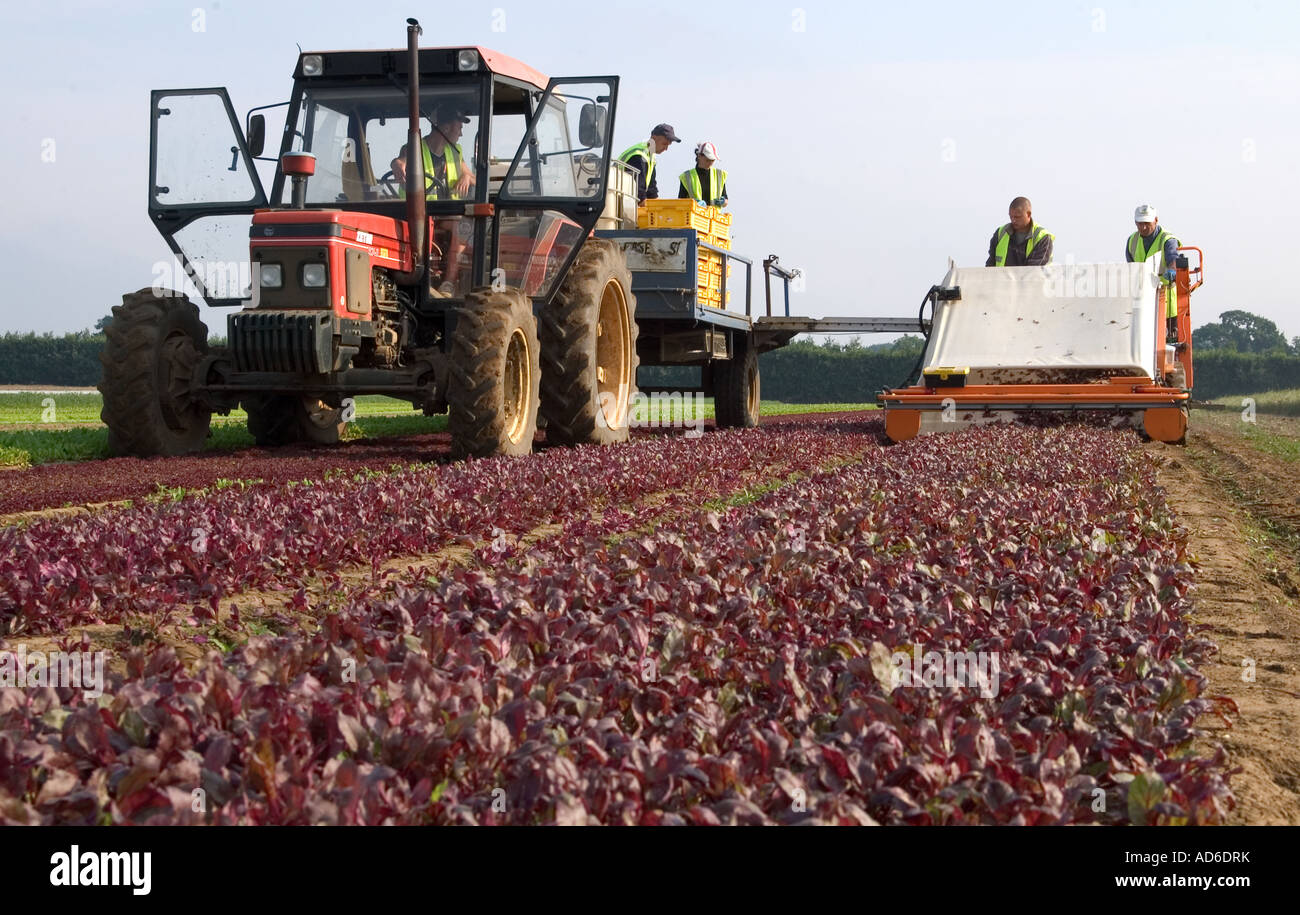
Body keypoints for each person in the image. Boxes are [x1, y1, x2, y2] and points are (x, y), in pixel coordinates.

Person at [390, 103, 476, 201]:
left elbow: (474, 179)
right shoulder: (413, 148)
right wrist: (396, 163)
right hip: (418, 214)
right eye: (460, 128)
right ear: (446, 128)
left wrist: (467, 177)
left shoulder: (455, 152)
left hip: (451, 212)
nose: (461, 134)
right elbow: (401, 161)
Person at [1126, 204, 1181, 343]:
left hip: (1166, 298)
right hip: (1142, 299)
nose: (1143, 228)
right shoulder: (1132, 241)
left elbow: (1173, 259)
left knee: (1167, 343)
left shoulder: (1167, 239)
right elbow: (1130, 269)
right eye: (1140, 224)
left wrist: (1172, 270)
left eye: (1146, 223)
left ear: (1155, 220)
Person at [618, 124, 680, 203]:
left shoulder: (650, 156)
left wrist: (660, 206)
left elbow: (651, 189)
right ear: (653, 139)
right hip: (620, 201)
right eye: (664, 144)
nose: (666, 149)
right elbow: (638, 190)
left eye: (668, 145)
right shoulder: (639, 155)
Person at [985, 197, 1053, 266]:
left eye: (1017, 217)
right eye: (1011, 217)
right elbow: (990, 265)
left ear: (1028, 214)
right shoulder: (1000, 233)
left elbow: (1034, 271)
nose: (1013, 220)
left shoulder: (1043, 237)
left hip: (1032, 277)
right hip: (1002, 277)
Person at [678, 142, 728, 206]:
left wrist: (723, 202)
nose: (710, 163)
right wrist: (694, 203)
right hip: (695, 215)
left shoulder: (719, 175)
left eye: (712, 160)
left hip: (714, 215)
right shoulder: (687, 177)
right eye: (708, 160)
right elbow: (680, 202)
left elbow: (726, 199)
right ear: (699, 156)